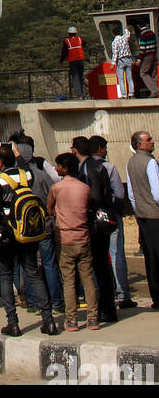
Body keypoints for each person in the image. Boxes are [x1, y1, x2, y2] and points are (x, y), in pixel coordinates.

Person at [0, 145, 58, 337]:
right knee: (33, 273)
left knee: (6, 275)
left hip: (9, 234)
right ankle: (48, 320)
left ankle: (13, 322)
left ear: (0, 162)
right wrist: (18, 156)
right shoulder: (27, 175)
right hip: (28, 230)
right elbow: (25, 168)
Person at [47, 153, 97, 331]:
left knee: (68, 280)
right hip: (83, 237)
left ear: (65, 168)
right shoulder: (85, 188)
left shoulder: (56, 188)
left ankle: (72, 319)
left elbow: (50, 209)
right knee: (88, 279)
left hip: (65, 238)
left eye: (58, 166)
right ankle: (93, 318)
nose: (56, 168)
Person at [71, 135, 118, 323]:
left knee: (99, 267)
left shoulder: (89, 168)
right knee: (100, 266)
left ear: (75, 150)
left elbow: (97, 196)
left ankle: (106, 308)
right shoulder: (95, 166)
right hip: (99, 221)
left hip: (95, 224)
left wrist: (85, 207)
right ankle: (106, 307)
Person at [89, 135, 135, 308]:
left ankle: (98, 294)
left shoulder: (83, 168)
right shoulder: (108, 167)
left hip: (92, 218)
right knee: (116, 254)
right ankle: (123, 295)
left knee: (94, 256)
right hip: (110, 216)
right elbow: (119, 193)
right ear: (100, 149)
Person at [126, 129, 159, 306]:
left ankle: (156, 296)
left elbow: (131, 193)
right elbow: (157, 193)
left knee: (150, 257)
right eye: (149, 140)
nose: (152, 142)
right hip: (154, 214)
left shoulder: (131, 163)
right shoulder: (150, 163)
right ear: (140, 144)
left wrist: (138, 209)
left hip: (142, 214)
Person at [61, 25, 86, 99]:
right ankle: (81, 93)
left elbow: (64, 52)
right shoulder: (79, 39)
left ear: (69, 34)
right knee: (81, 76)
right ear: (76, 33)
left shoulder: (67, 41)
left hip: (73, 61)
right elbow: (84, 43)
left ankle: (79, 95)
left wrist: (61, 60)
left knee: (76, 78)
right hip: (81, 60)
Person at [112, 26, 135, 99]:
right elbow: (128, 33)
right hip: (128, 59)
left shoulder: (114, 42)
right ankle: (131, 93)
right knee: (129, 78)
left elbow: (115, 53)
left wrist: (112, 63)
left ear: (113, 34)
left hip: (120, 61)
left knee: (121, 79)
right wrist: (125, 28)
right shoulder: (125, 38)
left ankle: (124, 95)